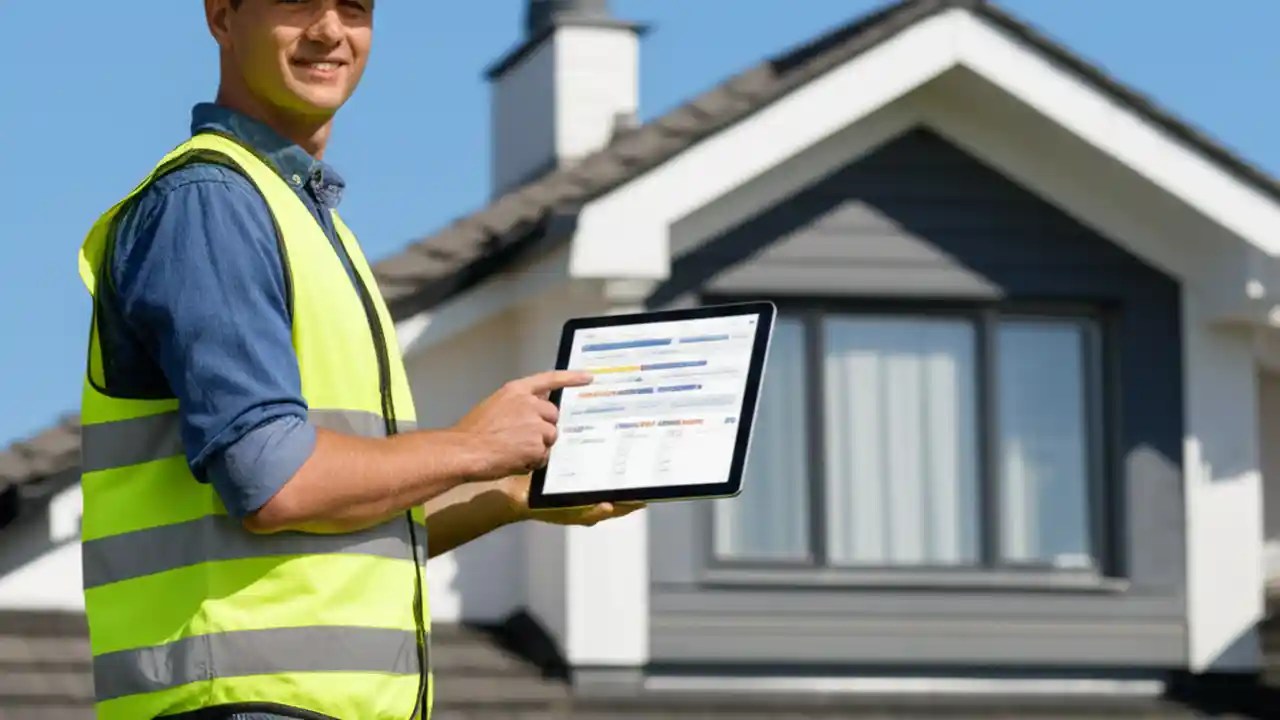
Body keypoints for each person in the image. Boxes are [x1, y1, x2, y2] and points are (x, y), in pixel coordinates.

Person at [74, 1, 642, 718]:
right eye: (297, 4)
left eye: (354, 6)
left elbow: (343, 529)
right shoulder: (212, 203)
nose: (329, 30)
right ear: (222, 15)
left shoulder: (301, 216)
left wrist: (508, 495)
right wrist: (471, 447)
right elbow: (274, 481)